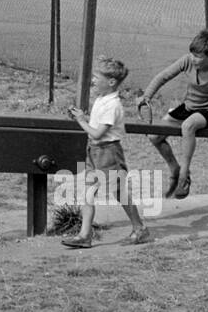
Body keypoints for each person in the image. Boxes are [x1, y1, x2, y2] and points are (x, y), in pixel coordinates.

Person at [138, 30, 208, 200]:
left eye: (198, 56)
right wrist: (147, 95)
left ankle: (184, 175)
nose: (193, 59)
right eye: (192, 54)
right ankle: (174, 168)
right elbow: (163, 76)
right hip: (188, 107)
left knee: (188, 126)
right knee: (154, 136)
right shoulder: (187, 61)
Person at [61, 57, 151, 248]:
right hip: (93, 151)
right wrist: (83, 116)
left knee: (119, 192)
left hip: (108, 152)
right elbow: (95, 129)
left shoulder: (113, 105)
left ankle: (140, 229)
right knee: (88, 192)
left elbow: (97, 133)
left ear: (111, 82)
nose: (92, 80)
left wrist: (80, 121)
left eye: (96, 77)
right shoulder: (102, 99)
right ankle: (85, 235)